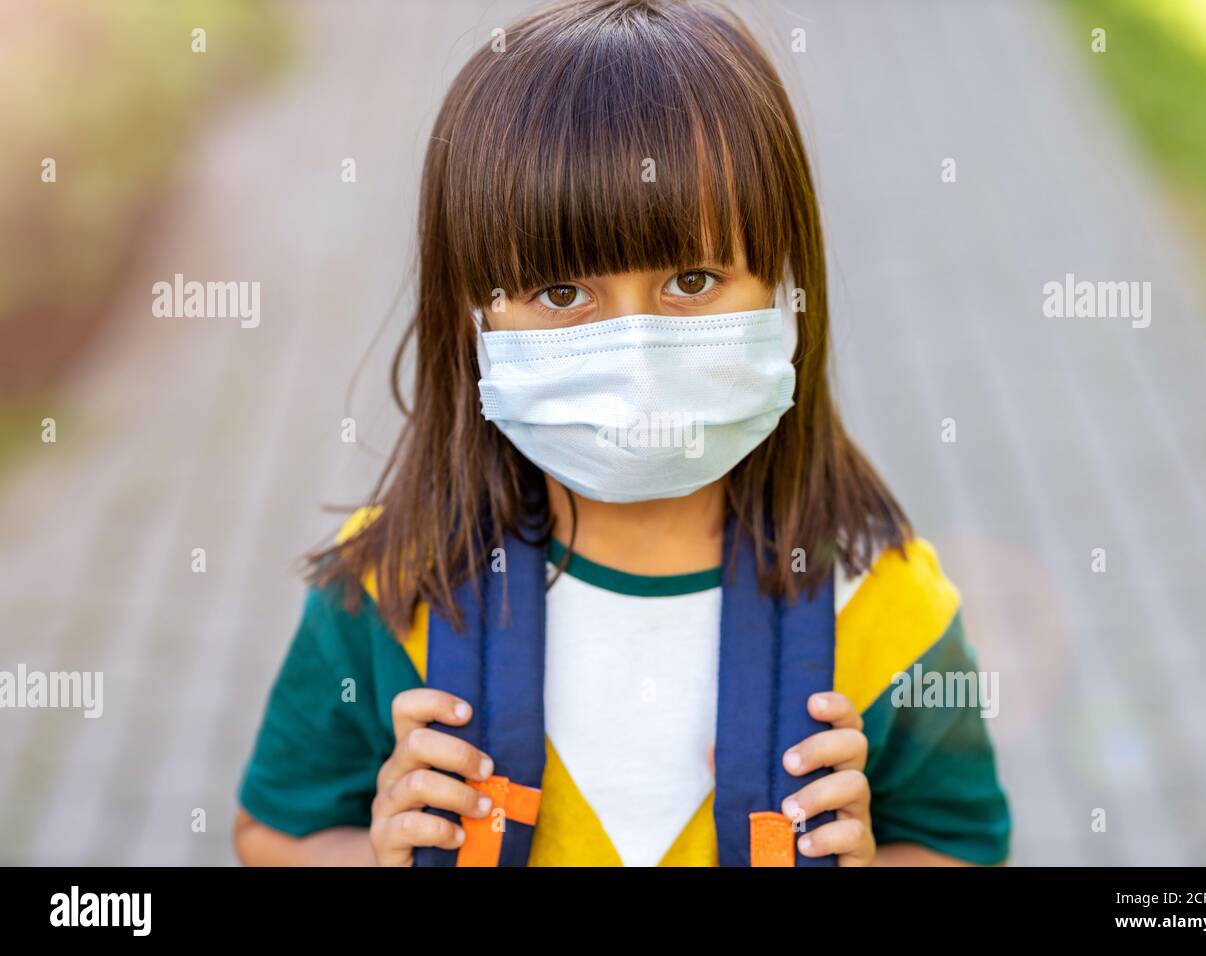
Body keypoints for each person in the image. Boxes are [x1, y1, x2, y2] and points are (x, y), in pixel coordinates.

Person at [233, 0, 1011, 867]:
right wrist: (377, 853)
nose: (639, 353)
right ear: (471, 319)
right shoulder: (393, 591)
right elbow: (272, 835)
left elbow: (963, 843)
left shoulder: (885, 603)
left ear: (790, 292)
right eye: (562, 296)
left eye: (692, 278)